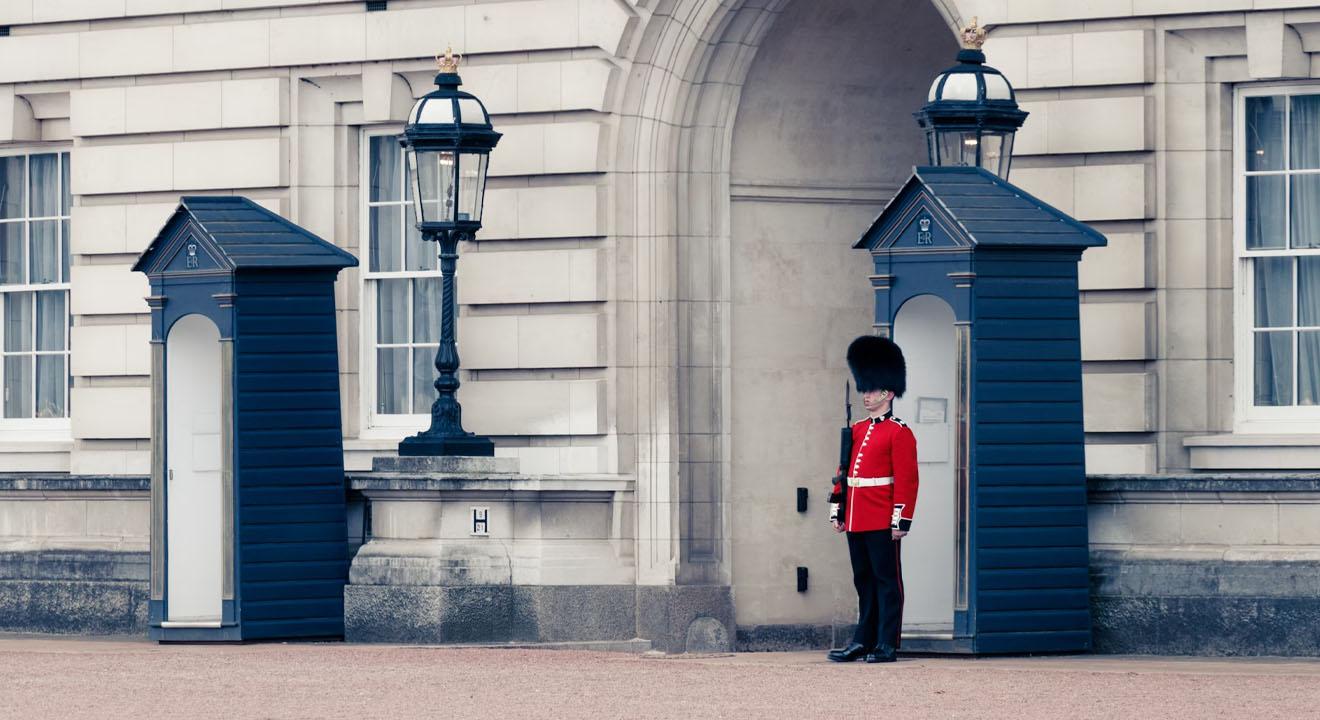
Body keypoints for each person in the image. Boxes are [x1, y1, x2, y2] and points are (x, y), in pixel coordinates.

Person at [826, 335, 918, 664]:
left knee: (887, 582)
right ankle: (862, 641)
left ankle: (887, 642)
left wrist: (900, 519)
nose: (867, 396)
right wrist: (838, 509)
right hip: (857, 516)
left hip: (881, 517)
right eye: (865, 389)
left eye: (873, 390)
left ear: (888, 392)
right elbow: (844, 473)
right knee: (863, 580)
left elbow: (907, 480)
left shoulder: (899, 432)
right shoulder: (858, 429)